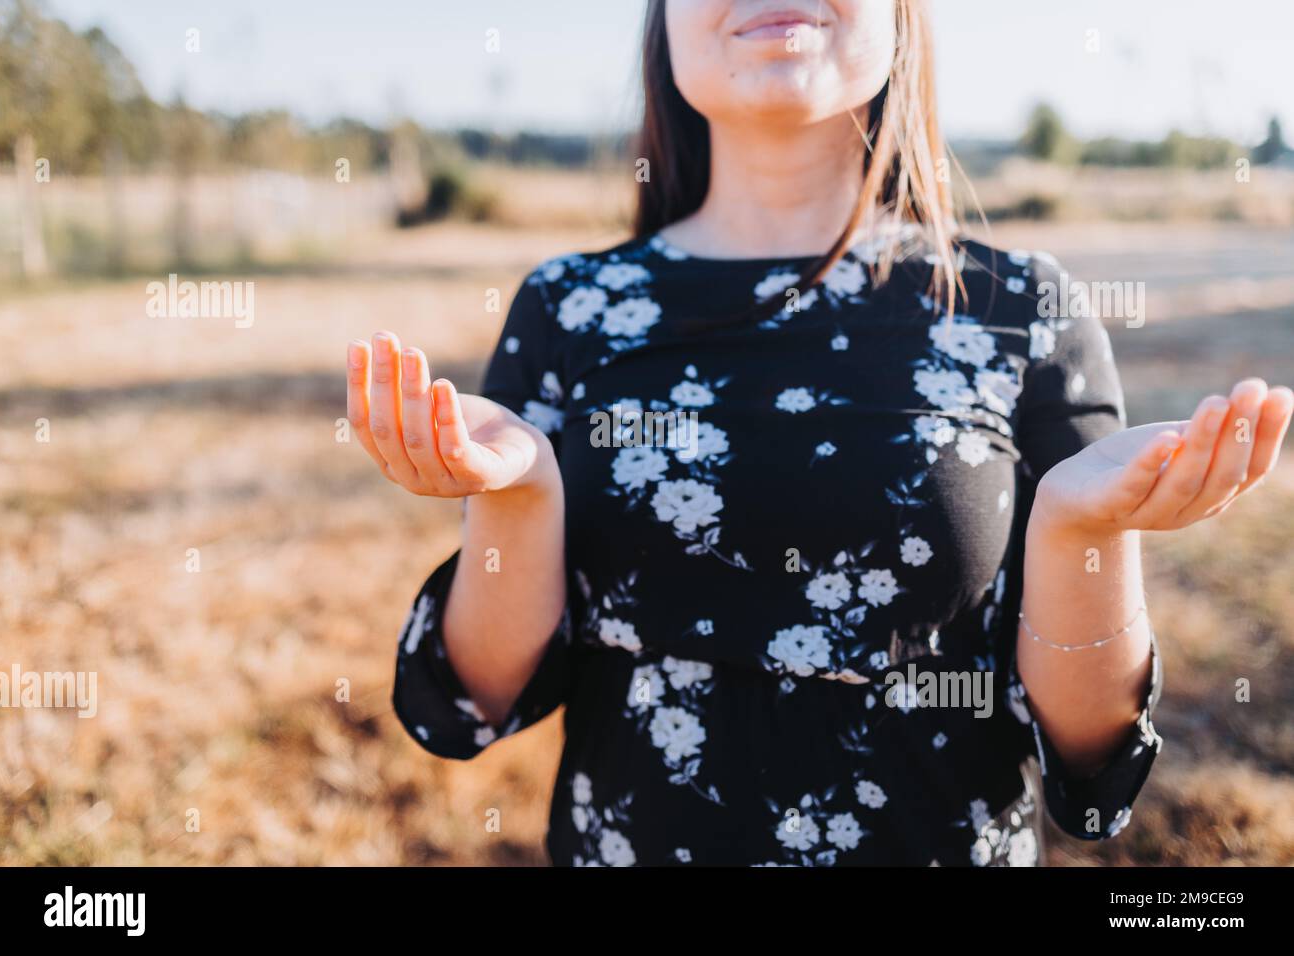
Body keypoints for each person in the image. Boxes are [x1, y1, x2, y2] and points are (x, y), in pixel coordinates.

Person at [345, 0, 1294, 865]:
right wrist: (519, 500)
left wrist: (1083, 535)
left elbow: (1089, 756)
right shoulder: (571, 310)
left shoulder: (1024, 307)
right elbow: (481, 694)